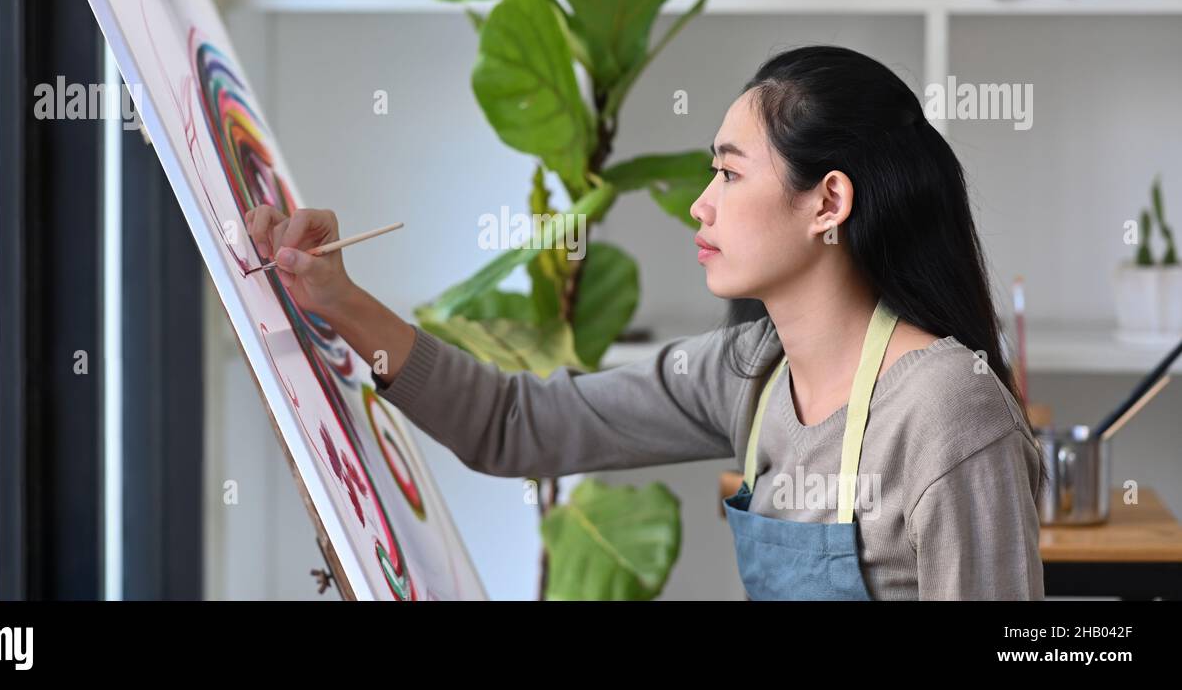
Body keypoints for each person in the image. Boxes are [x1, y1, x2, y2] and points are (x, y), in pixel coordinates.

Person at [243, 44, 1045, 600]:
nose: (701, 203)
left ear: (828, 202)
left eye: (729, 173)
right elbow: (516, 425)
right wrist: (337, 299)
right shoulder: (752, 374)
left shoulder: (947, 409)